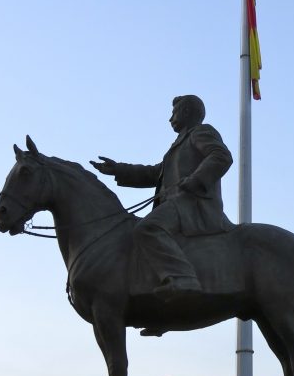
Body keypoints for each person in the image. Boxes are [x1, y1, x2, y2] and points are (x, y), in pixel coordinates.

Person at [91, 95, 234, 298]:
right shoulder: (179, 144)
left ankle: (183, 279)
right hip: (176, 205)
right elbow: (154, 172)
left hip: (191, 204)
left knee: (147, 228)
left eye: (173, 113)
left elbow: (221, 156)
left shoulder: (201, 132)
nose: (170, 119)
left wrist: (196, 180)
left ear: (186, 112)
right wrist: (118, 169)